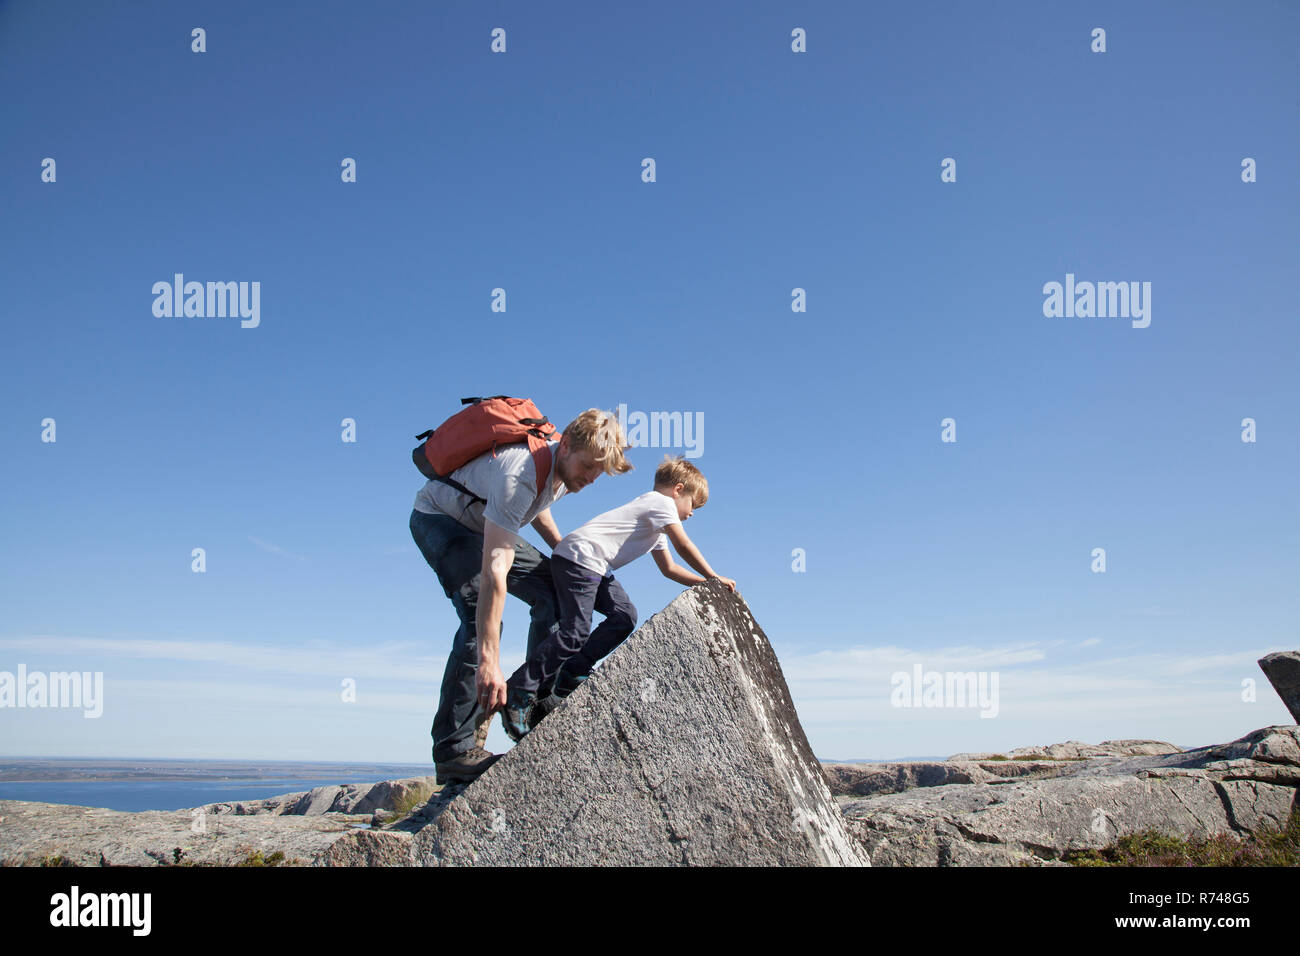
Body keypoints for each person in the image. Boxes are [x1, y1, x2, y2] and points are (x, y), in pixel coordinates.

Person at [410, 408, 632, 783]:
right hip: (441, 521)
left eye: (601, 471)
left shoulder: (560, 470)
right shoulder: (520, 474)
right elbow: (496, 572)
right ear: (566, 448)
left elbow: (537, 506)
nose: (593, 477)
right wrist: (489, 663)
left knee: (555, 592)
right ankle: (454, 750)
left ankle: (528, 696)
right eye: (590, 466)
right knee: (477, 617)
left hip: (486, 525)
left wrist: (562, 549)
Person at [499, 455, 736, 740]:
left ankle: (573, 670)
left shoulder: (656, 521)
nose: (692, 512)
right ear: (678, 490)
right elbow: (683, 545)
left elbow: (670, 569)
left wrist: (709, 588)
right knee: (575, 632)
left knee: (624, 616)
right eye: (693, 504)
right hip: (581, 559)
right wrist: (713, 576)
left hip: (594, 565)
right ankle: (520, 689)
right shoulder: (660, 504)